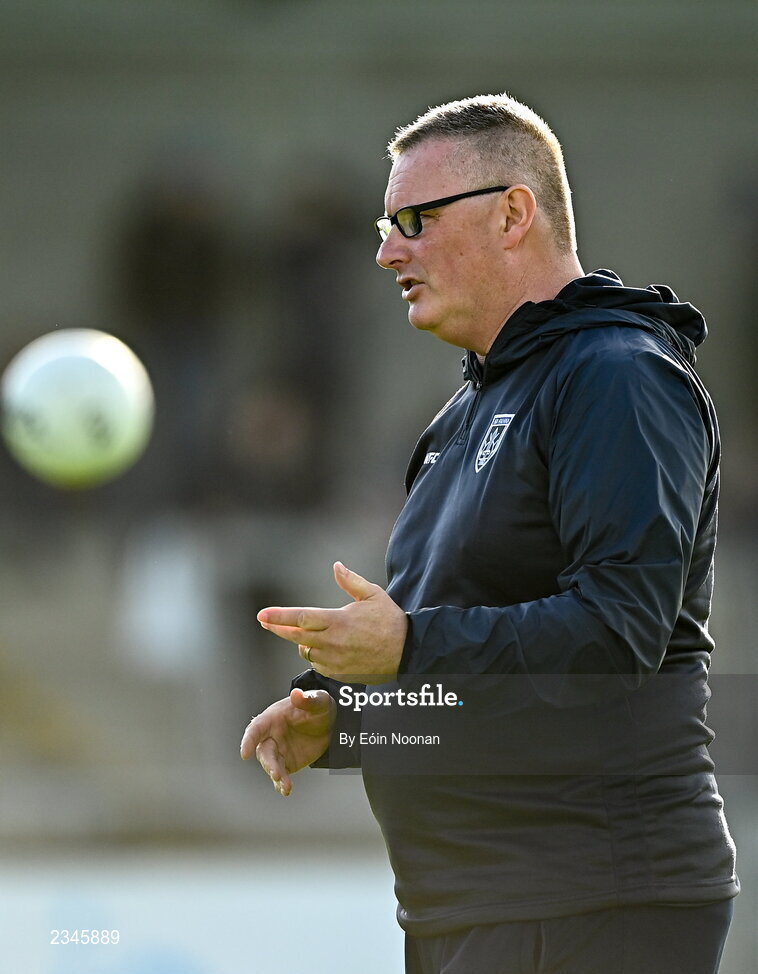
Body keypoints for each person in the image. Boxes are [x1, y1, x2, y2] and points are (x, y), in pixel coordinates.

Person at [240, 93, 739, 973]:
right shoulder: (462, 413)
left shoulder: (618, 377)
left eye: (414, 220)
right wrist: (351, 721)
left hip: (596, 899)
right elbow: (473, 658)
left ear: (513, 212)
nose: (388, 249)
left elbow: (617, 632)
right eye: (385, 223)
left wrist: (407, 646)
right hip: (473, 906)